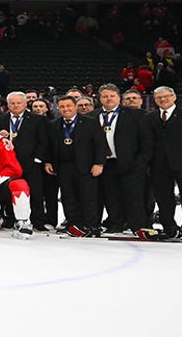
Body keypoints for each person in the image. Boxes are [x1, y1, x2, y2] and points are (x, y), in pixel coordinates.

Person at [91, 84, 151, 236]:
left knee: (134, 195)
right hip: (105, 163)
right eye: (105, 96)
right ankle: (116, 224)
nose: (109, 99)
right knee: (111, 196)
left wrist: (141, 160)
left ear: (119, 98)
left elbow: (145, 139)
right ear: (99, 99)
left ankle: (138, 226)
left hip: (131, 162)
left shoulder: (136, 114)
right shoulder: (92, 116)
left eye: (112, 96)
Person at [44, 96, 107, 237]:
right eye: (62, 107)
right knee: (68, 197)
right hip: (63, 166)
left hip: (86, 166)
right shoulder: (54, 124)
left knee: (88, 197)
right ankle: (73, 224)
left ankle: (91, 225)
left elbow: (100, 144)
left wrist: (99, 163)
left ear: (75, 107)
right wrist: (48, 161)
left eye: (68, 106)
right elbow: (49, 146)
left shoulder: (90, 122)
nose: (66, 109)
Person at [0, 91, 50, 230]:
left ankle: (38, 222)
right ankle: (10, 219)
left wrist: (37, 159)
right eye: (12, 103)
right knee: (9, 192)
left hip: (31, 163)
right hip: (8, 163)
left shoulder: (38, 119)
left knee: (35, 193)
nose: (16, 105)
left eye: (19, 103)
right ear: (7, 105)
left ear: (25, 104)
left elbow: (43, 141)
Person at [145, 86, 182, 239]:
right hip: (158, 165)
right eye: (159, 97)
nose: (163, 99)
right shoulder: (150, 117)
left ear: (174, 97)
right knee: (163, 198)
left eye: (166, 96)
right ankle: (169, 228)